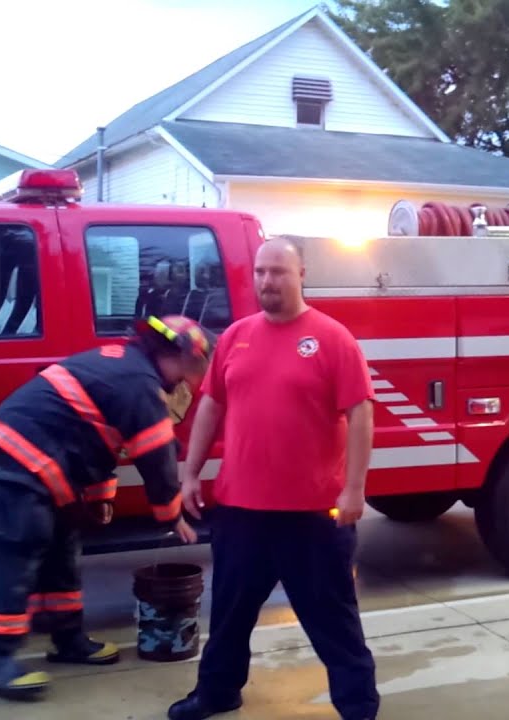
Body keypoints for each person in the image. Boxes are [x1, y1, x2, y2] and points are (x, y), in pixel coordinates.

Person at [167, 237, 380, 720]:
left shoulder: (332, 338)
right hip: (242, 511)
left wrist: (354, 487)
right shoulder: (237, 336)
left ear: (301, 274)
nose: (267, 281)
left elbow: (360, 413)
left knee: (334, 623)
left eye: (278, 272)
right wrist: (191, 471)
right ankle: (217, 693)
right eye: (261, 272)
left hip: (312, 516)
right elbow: (211, 404)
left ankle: (358, 707)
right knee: (229, 616)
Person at [0, 314, 214, 701]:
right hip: (19, 461)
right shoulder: (140, 384)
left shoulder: (126, 365)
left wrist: (100, 499)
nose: (187, 382)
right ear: (179, 355)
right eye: (191, 370)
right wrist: (171, 516)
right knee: (15, 554)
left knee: (62, 551)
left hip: (46, 466)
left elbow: (101, 441)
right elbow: (157, 457)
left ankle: (68, 640)